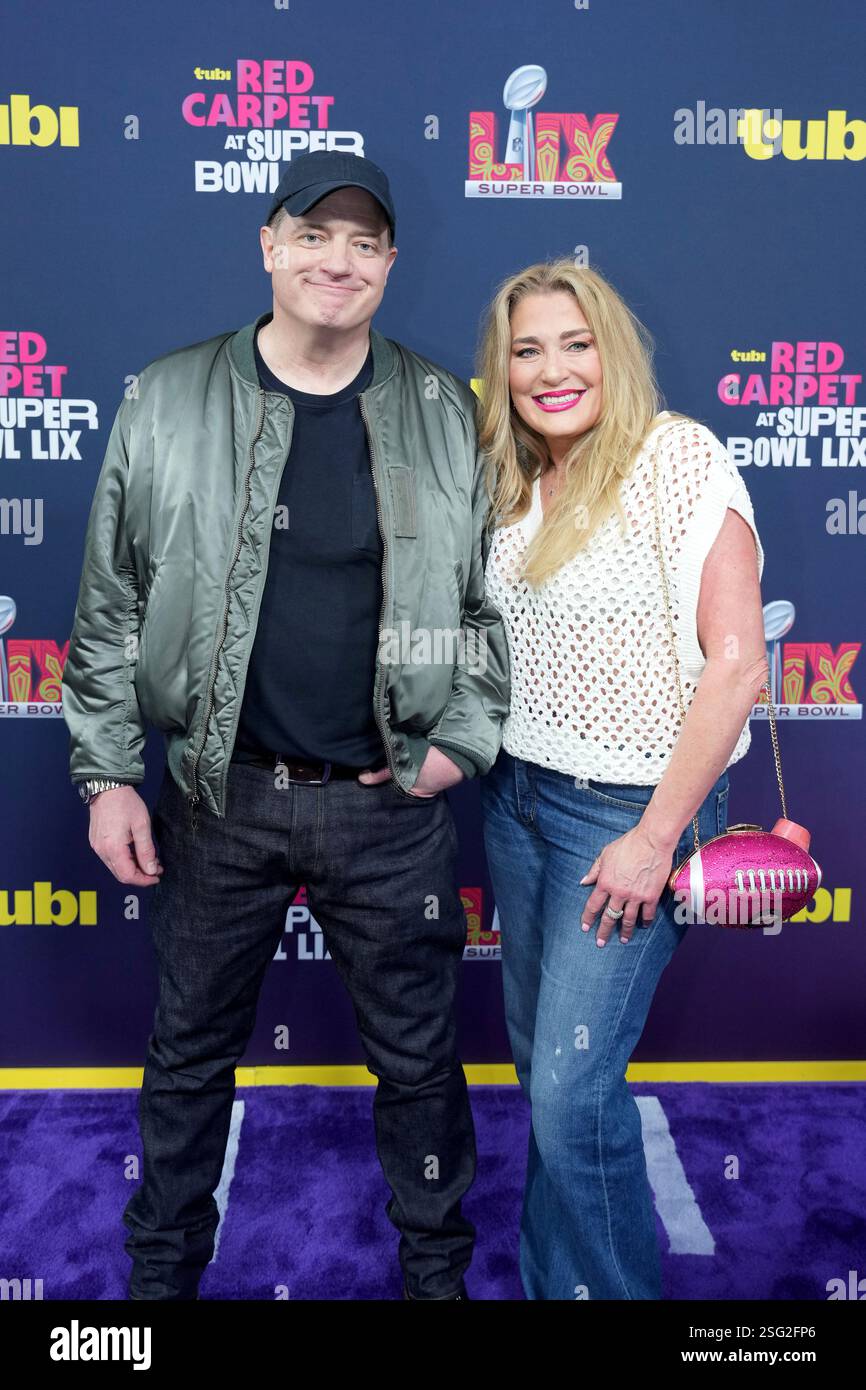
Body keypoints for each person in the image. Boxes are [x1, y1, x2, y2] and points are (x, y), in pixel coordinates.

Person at [61, 151, 509, 1301]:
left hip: (387, 805)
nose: (337, 260)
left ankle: (434, 1277)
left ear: (389, 265)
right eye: (314, 236)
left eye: (364, 243)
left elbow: (485, 604)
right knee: (187, 1059)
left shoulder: (438, 412)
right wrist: (108, 774)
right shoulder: (167, 399)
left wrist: (455, 741)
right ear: (268, 245)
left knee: (418, 1066)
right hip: (221, 799)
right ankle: (158, 1286)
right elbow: (110, 603)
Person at [476, 258, 767, 1300]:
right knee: (549, 1077)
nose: (551, 369)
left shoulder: (677, 457)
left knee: (565, 1090)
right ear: (500, 370)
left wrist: (652, 838)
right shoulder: (509, 477)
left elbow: (737, 663)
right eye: (526, 350)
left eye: (574, 342)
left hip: (630, 816)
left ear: (611, 350)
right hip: (515, 804)